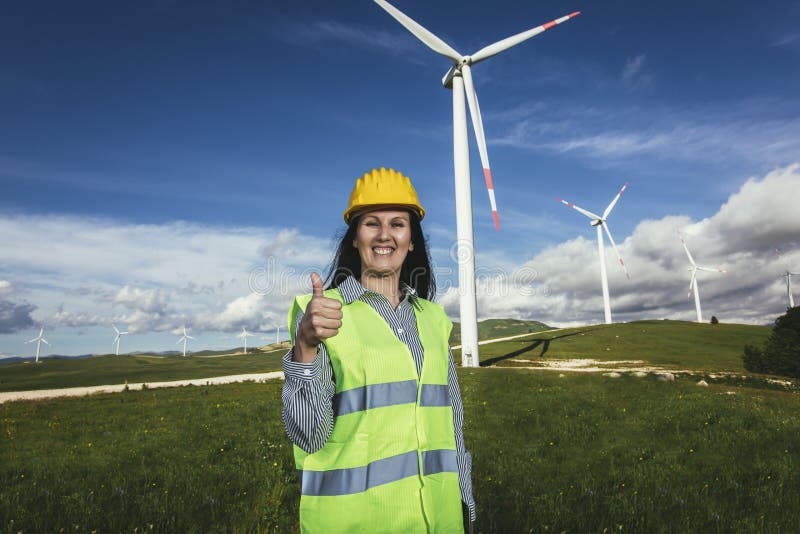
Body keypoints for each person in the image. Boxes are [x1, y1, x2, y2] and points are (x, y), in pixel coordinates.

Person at [281, 167, 476, 533]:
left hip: (439, 518)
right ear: (355, 238)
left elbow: (454, 426)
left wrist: (465, 503)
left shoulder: (434, 320)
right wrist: (305, 346)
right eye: (371, 223)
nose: (385, 234)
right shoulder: (321, 315)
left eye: (398, 224)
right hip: (356, 523)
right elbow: (309, 435)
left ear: (412, 240)